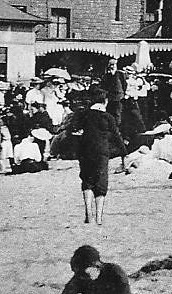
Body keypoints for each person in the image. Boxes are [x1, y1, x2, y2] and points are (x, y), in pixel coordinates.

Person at [76, 88, 125, 225]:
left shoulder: (83, 115)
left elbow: (73, 130)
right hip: (101, 151)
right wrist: (123, 152)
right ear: (105, 101)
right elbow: (116, 136)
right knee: (101, 182)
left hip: (85, 150)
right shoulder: (108, 117)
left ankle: (88, 213)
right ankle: (98, 217)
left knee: (87, 179)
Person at [60, 245, 131, 294]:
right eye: (78, 273)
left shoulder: (115, 274)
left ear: (96, 266)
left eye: (83, 273)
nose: (80, 277)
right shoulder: (81, 277)